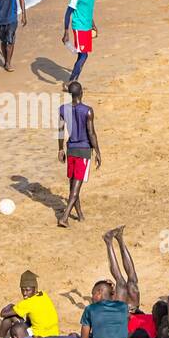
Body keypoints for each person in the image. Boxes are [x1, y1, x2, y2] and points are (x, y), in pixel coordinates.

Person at [56, 81, 101, 228]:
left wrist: (60, 149)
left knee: (73, 185)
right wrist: (98, 151)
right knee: (75, 188)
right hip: (83, 150)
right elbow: (91, 133)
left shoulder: (63, 109)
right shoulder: (87, 110)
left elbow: (61, 131)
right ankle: (64, 217)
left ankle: (80, 214)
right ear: (81, 93)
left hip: (71, 150)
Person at [102, 225, 158, 338]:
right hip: (135, 312)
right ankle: (120, 238)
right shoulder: (164, 324)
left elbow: (128, 334)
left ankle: (108, 242)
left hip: (124, 319)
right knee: (133, 281)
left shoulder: (155, 335)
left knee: (121, 282)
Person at [61, 0, 98, 89]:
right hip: (79, 27)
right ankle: (70, 82)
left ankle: (74, 81)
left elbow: (89, 10)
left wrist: (93, 24)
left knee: (81, 55)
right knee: (84, 55)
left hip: (87, 27)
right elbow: (68, 13)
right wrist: (66, 32)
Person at [0, 271, 60, 338]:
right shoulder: (43, 295)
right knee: (17, 317)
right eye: (22, 290)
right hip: (54, 335)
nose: (24, 293)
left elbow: (3, 314)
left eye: (28, 290)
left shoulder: (28, 303)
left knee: (12, 323)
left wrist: (10, 305)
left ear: (35, 289)